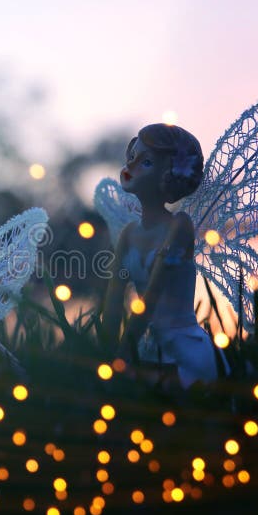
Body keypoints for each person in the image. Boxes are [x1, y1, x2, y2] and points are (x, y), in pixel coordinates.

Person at [101, 124, 227, 390]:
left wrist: (122, 357)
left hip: (184, 350)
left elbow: (151, 297)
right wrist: (104, 352)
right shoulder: (128, 234)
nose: (131, 166)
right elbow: (114, 296)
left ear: (168, 175)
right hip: (149, 346)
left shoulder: (179, 227)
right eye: (132, 157)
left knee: (159, 394)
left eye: (146, 162)